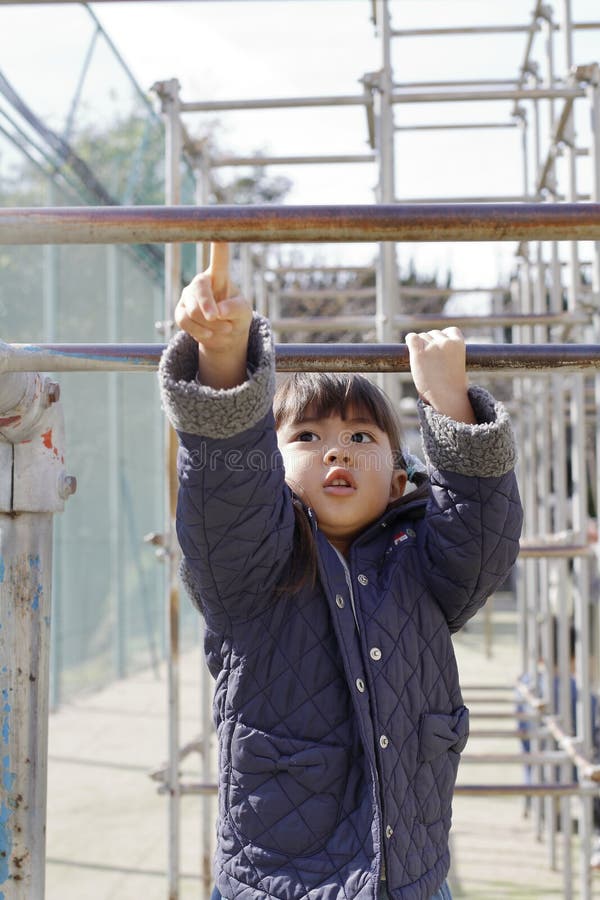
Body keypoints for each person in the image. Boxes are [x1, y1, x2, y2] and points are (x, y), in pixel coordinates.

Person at [158, 253, 523, 900]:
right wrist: (221, 361)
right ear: (269, 467)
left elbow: (482, 532)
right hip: (277, 885)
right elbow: (228, 493)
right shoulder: (251, 570)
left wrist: (449, 403)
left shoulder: (425, 570)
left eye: (362, 437)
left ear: (401, 478)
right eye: (305, 436)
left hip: (410, 880)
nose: (336, 450)